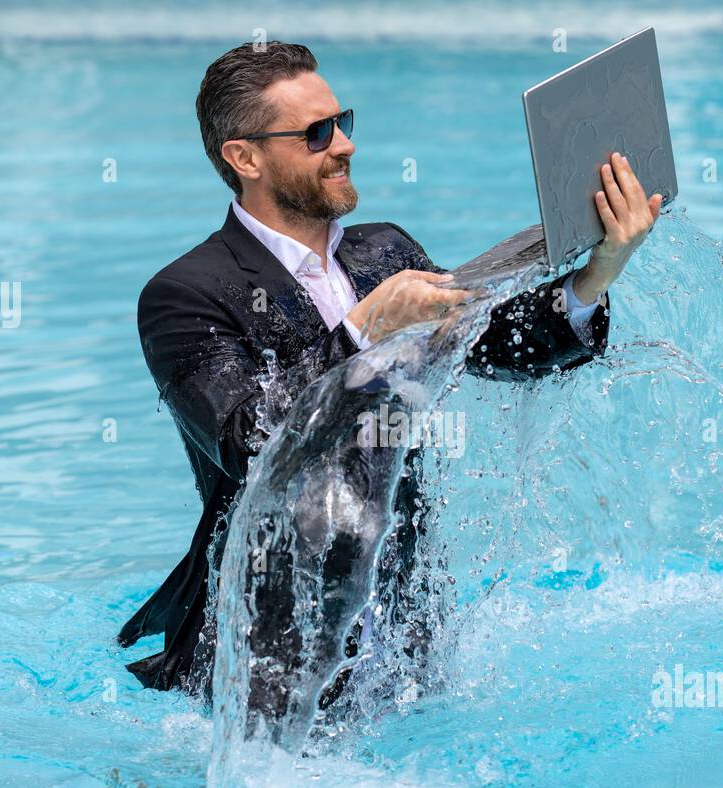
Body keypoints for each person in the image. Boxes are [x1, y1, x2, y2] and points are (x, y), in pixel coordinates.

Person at [116, 41, 662, 708]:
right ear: (245, 157)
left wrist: (598, 271)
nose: (343, 144)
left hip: (404, 638)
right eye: (317, 133)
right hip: (268, 655)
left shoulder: (386, 252)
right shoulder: (187, 293)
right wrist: (360, 337)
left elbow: (496, 346)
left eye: (343, 121)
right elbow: (248, 439)